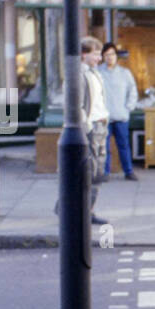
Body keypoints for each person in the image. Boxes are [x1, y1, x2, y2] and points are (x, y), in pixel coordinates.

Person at [54, 37, 110, 225]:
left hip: (100, 127)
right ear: (84, 54)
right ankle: (81, 211)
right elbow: (75, 105)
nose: (99, 58)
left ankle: (75, 209)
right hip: (91, 128)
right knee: (91, 172)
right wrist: (86, 127)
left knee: (95, 172)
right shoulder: (78, 75)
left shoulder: (94, 73)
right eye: (95, 54)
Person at [98, 42, 139, 180]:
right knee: (105, 147)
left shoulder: (124, 73)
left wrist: (129, 107)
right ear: (103, 56)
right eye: (107, 54)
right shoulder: (98, 73)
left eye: (112, 54)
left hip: (121, 116)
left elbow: (132, 91)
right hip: (104, 117)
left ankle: (128, 171)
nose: (110, 57)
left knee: (124, 146)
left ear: (116, 56)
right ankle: (105, 172)